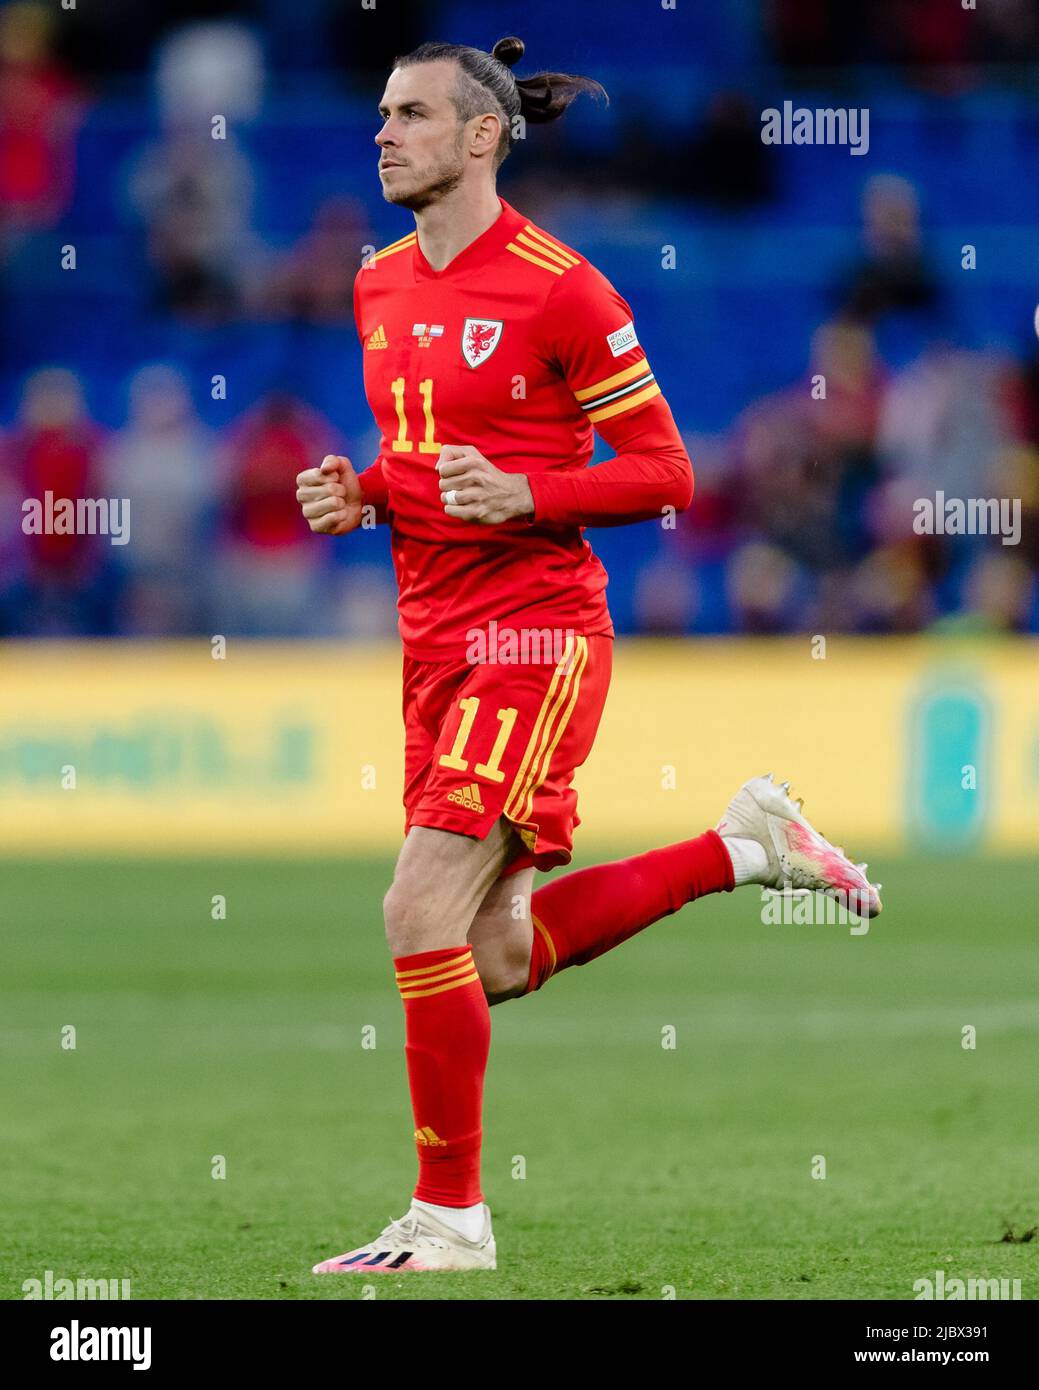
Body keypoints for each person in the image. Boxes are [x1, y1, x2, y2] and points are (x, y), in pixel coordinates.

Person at [295, 36, 881, 1275]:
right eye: (381, 114)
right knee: (489, 954)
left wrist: (527, 493)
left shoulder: (566, 291)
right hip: (431, 641)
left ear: (481, 136)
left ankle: (451, 1218)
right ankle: (744, 846)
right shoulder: (378, 285)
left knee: (413, 907)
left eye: (411, 115)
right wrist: (372, 491)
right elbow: (431, 455)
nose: (384, 134)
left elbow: (666, 471)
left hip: (534, 634)